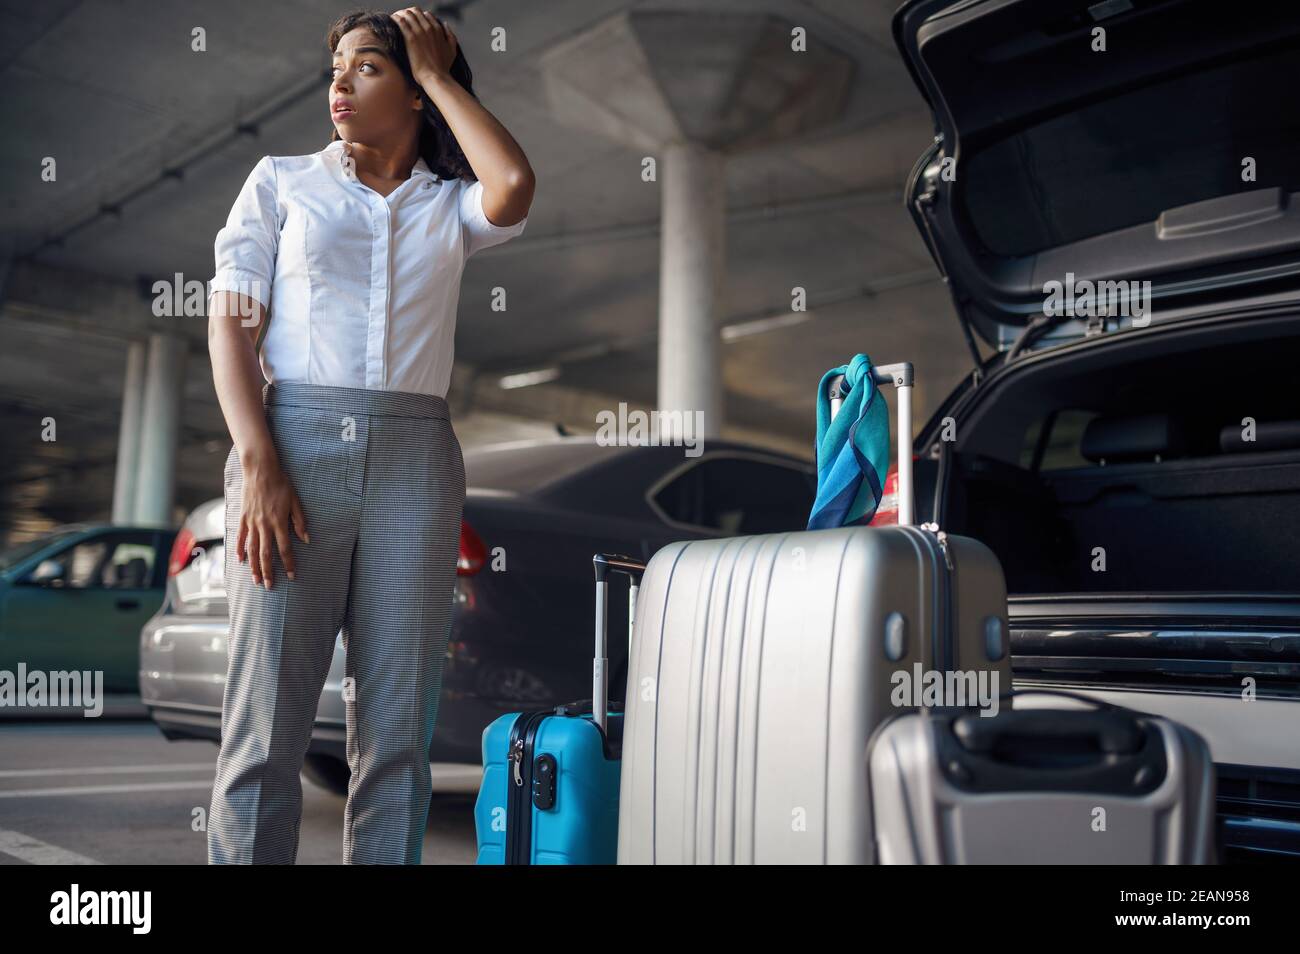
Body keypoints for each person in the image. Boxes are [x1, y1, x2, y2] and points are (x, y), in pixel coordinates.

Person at [205, 6, 534, 864]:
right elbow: (230, 329)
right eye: (337, 68)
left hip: (417, 463)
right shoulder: (280, 182)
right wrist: (259, 459)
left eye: (369, 68)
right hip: (293, 450)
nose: (340, 85)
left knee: (396, 734)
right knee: (267, 724)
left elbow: (514, 185)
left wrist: (437, 72)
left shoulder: (450, 208)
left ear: (419, 92)